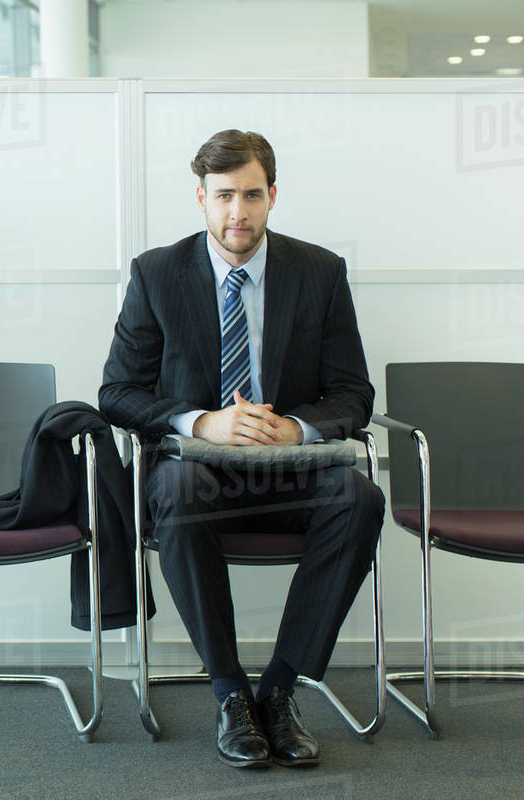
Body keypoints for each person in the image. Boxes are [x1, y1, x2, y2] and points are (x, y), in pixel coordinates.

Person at [99, 129, 384, 769]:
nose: (238, 213)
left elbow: (352, 393)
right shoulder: (157, 273)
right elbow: (117, 391)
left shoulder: (319, 272)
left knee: (361, 498)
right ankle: (230, 693)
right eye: (224, 196)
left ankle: (279, 692)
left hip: (293, 474)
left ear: (273, 196)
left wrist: (296, 429)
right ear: (200, 199)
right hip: (200, 476)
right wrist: (200, 423)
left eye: (251, 195)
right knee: (172, 487)